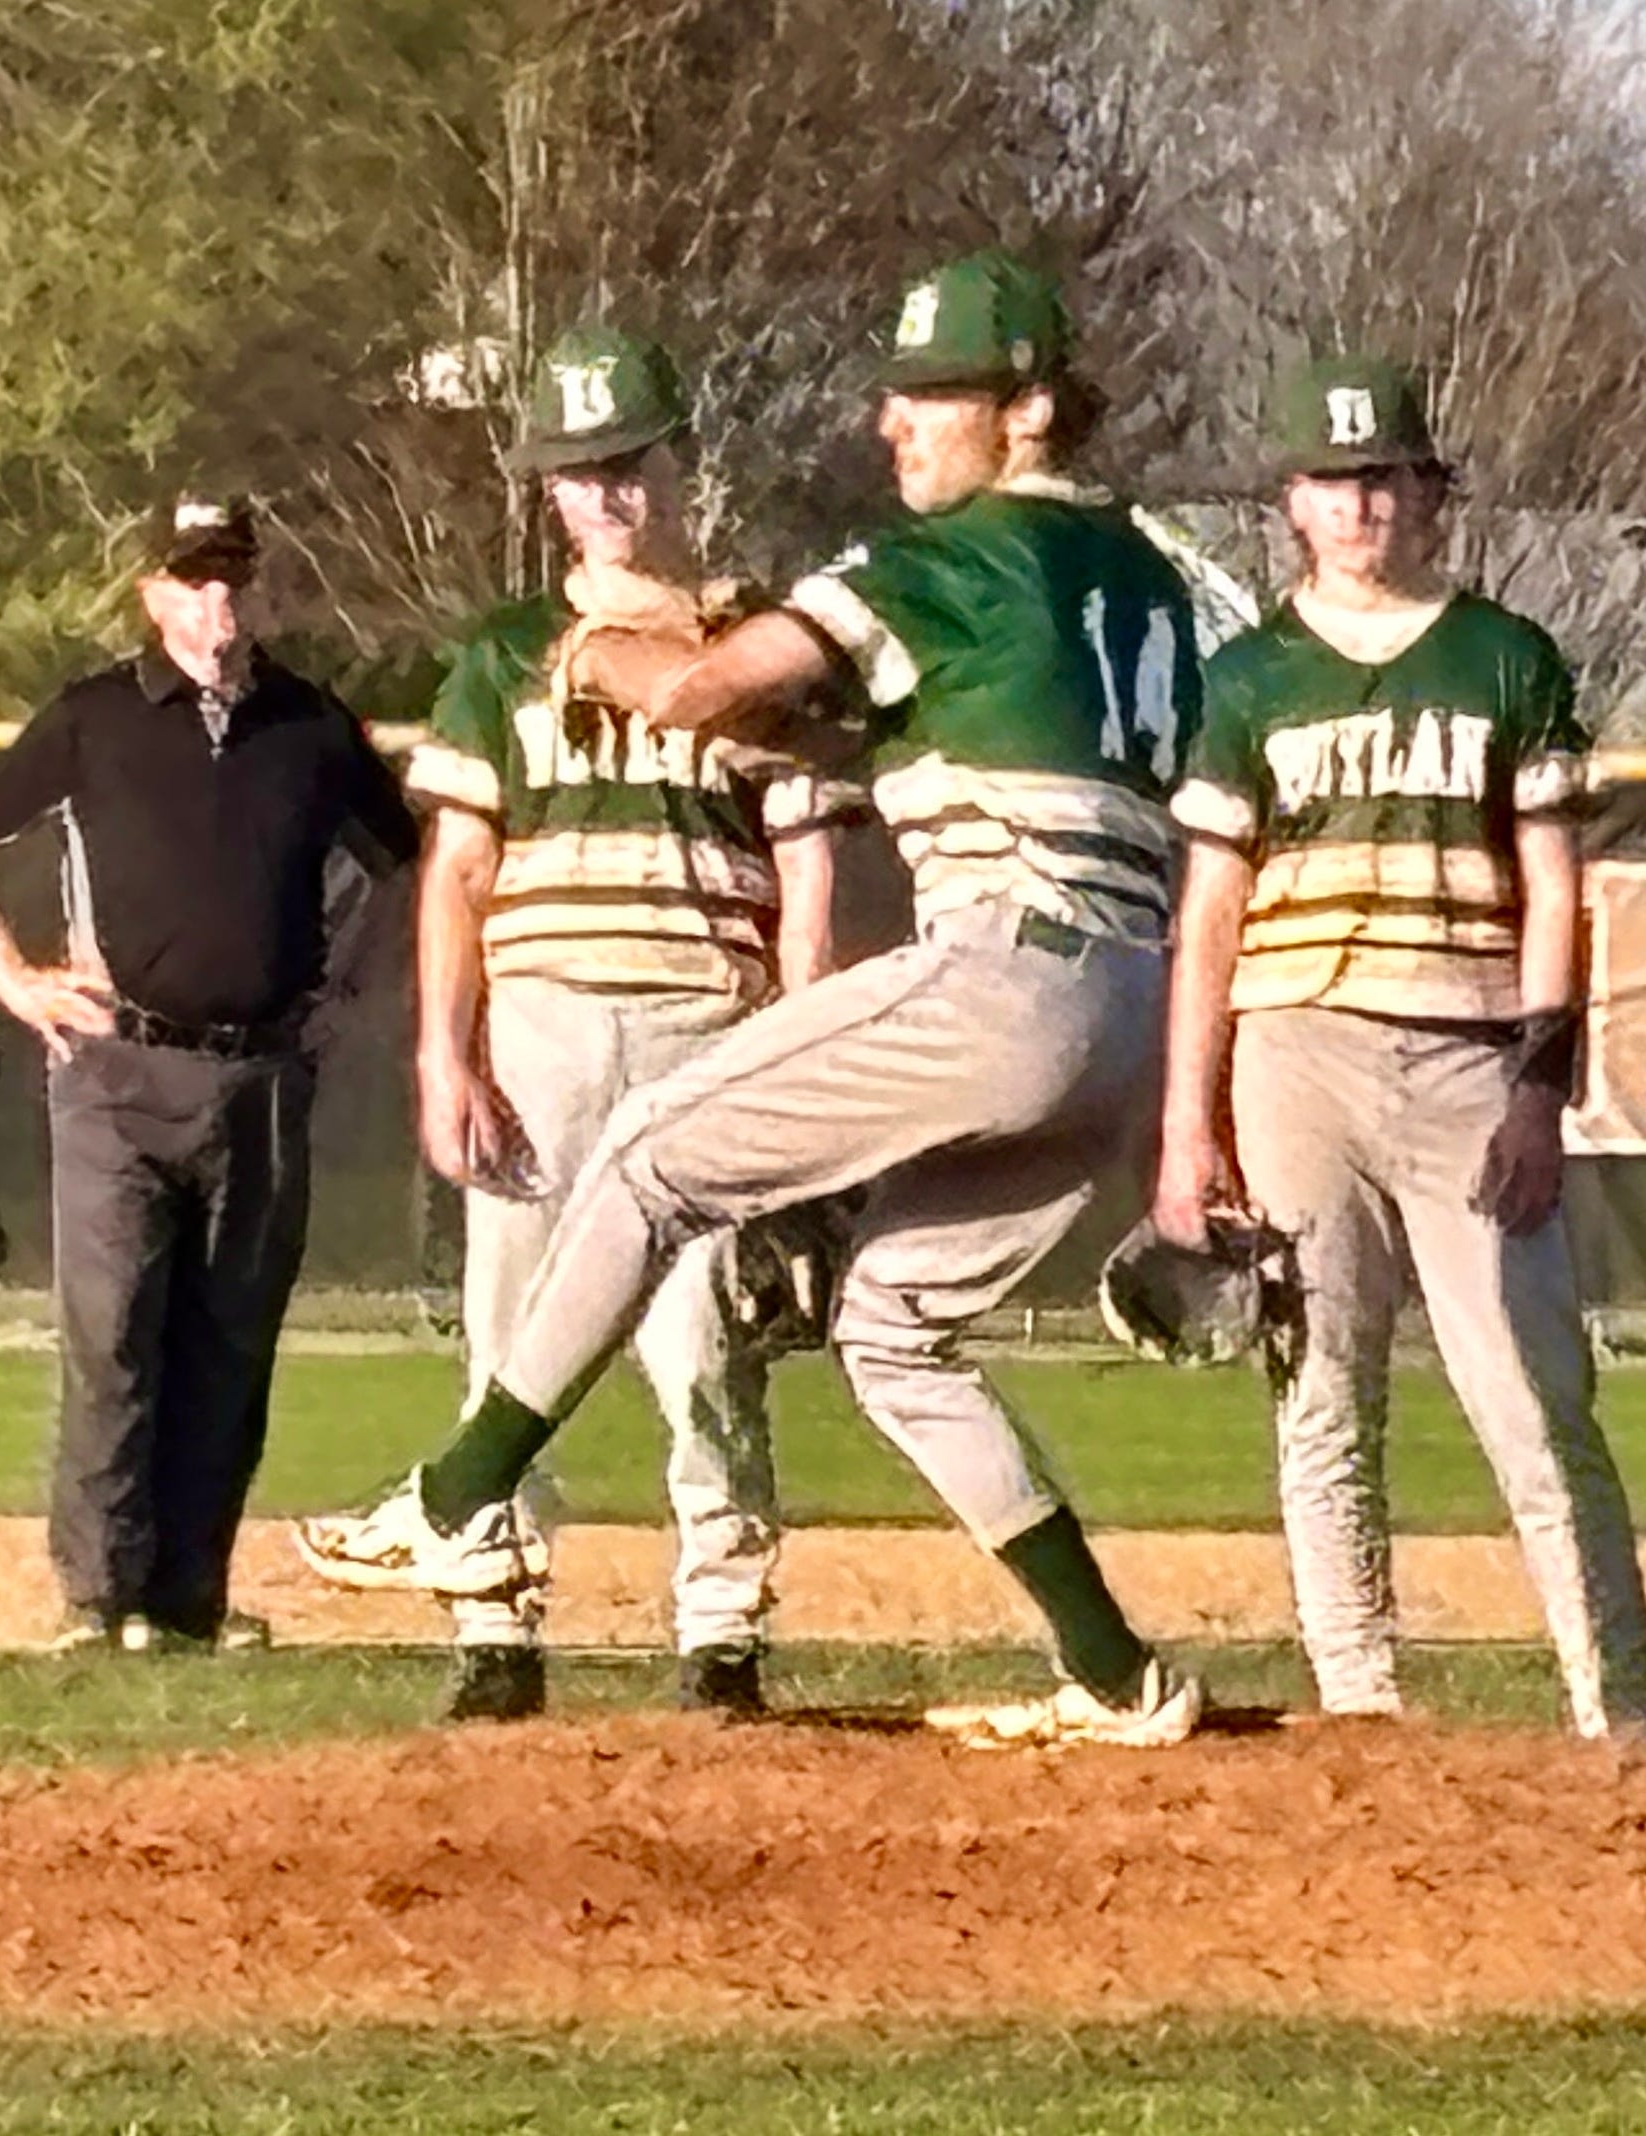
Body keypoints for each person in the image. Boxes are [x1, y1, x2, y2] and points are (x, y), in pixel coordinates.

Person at [297, 252, 1213, 1748]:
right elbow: (903, 718)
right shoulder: (1146, 569)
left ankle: (461, 1501)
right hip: (1131, 1002)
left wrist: (593, 643)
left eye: (935, 395)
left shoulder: (951, 554)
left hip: (1011, 970)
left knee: (650, 1151)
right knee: (896, 1330)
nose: (893, 422)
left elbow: (694, 693)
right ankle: (1118, 1672)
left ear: (1030, 412)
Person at [1153, 354, 1646, 1740]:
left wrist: (1537, 1089)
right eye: (1334, 480)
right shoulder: (1251, 676)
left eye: (1384, 476)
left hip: (1464, 1053)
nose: (1361, 504)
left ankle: (1617, 1712)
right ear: (1291, 504)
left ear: (1428, 494)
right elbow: (1211, 913)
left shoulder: (1503, 656)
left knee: (1531, 1396)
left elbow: (1555, 886)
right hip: (1294, 1045)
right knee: (1318, 1387)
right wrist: (1183, 1130)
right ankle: (1360, 1703)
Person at [396, 326, 856, 1725]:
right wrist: (442, 1049)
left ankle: (719, 1625)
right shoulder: (506, 652)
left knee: (702, 1340)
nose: (602, 498)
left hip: (704, 1020)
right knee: (510, 1332)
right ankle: (494, 1617)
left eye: (622, 466)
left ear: (675, 464)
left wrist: (795, 1040)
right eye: (574, 476)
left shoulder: (752, 639)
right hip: (539, 1020)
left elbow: (809, 863)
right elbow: (460, 867)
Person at [0, 495, 419, 1655]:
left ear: (265, 593)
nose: (218, 605)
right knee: (114, 1339)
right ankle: (97, 1603)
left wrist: (347, 992)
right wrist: (13, 977)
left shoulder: (310, 726)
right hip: (116, 1069)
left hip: (259, 1081)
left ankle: (188, 1602)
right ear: (151, 597)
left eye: (235, 580)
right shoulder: (98, 716)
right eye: (192, 582)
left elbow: (409, 865)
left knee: (229, 1346)